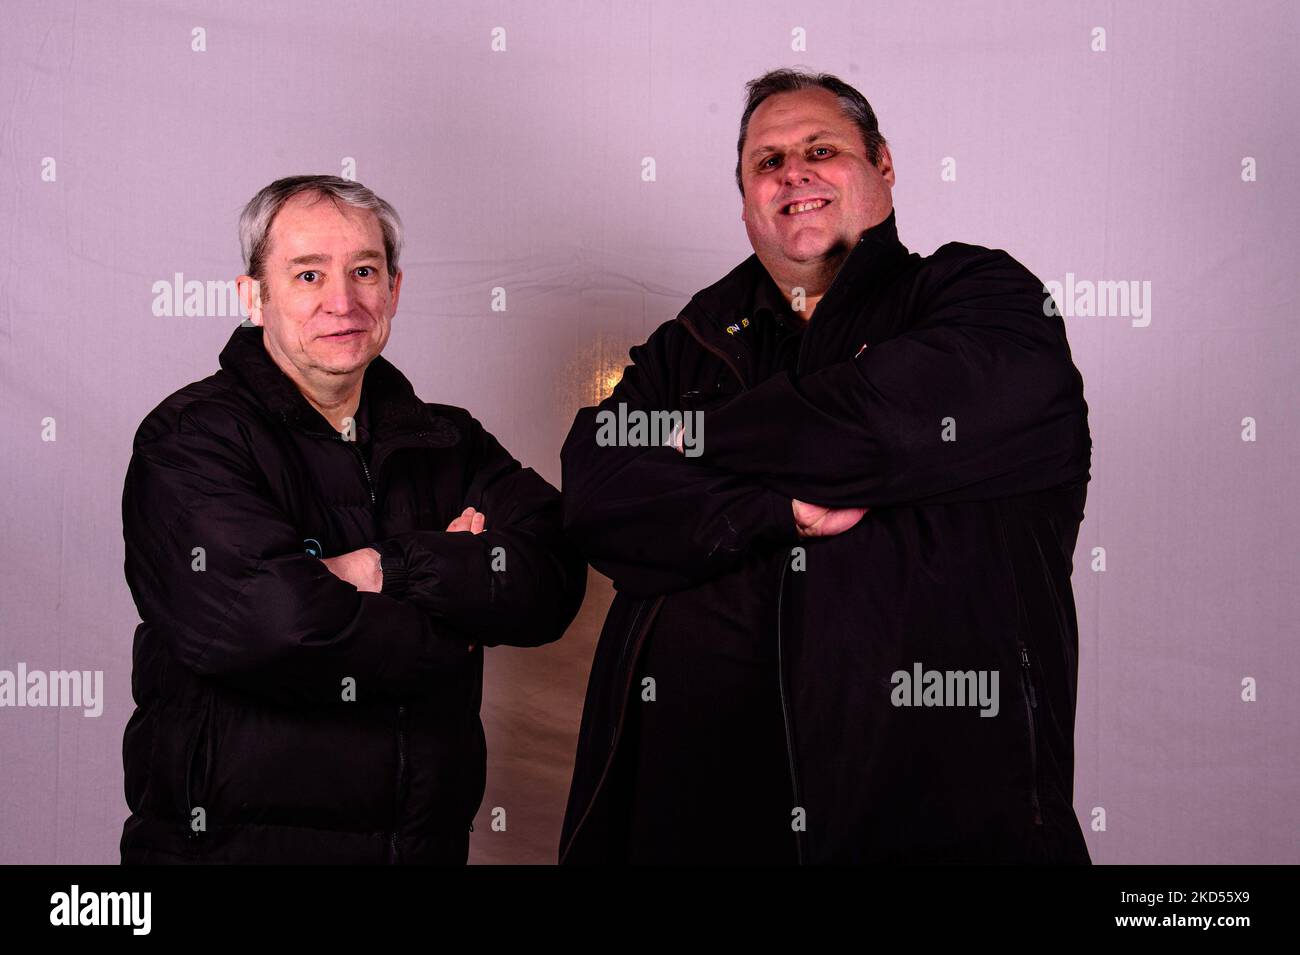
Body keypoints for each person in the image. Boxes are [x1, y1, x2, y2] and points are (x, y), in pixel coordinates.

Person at [559, 69, 1093, 864]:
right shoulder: (692, 339)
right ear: (744, 200)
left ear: (882, 164)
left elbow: (883, 429)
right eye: (766, 162)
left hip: (933, 812)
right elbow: (597, 496)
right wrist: (779, 512)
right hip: (688, 814)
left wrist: (691, 437)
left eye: (821, 149)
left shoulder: (983, 297)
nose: (793, 173)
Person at [120, 175, 586, 864]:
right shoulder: (190, 440)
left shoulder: (449, 442)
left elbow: (553, 577)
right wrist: (455, 620)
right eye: (308, 274)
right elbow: (273, 624)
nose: (343, 301)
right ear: (254, 296)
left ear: (395, 289)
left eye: (364, 271)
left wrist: (382, 567)